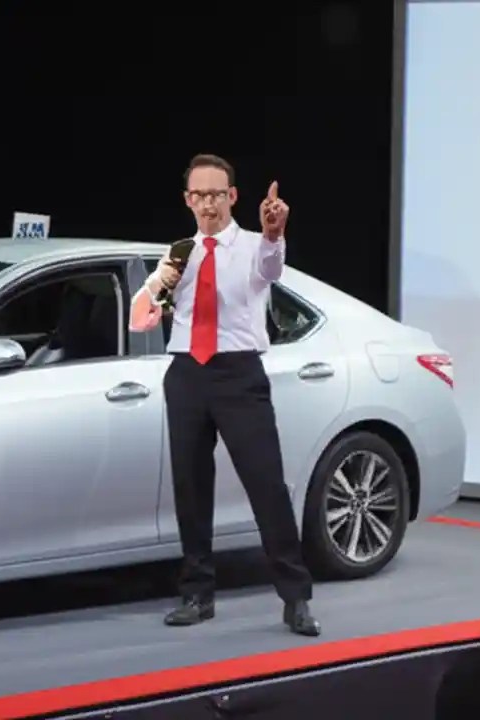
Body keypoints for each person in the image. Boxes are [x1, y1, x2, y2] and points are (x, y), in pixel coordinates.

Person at [130, 153, 320, 637]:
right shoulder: (177, 253)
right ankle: (197, 594)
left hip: (239, 375)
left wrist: (275, 232)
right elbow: (142, 318)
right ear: (188, 200)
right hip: (187, 374)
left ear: (232, 197)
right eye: (199, 195)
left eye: (217, 194)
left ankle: (296, 598)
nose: (208, 204)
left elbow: (272, 271)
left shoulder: (255, 246)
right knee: (191, 490)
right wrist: (160, 292)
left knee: (266, 486)